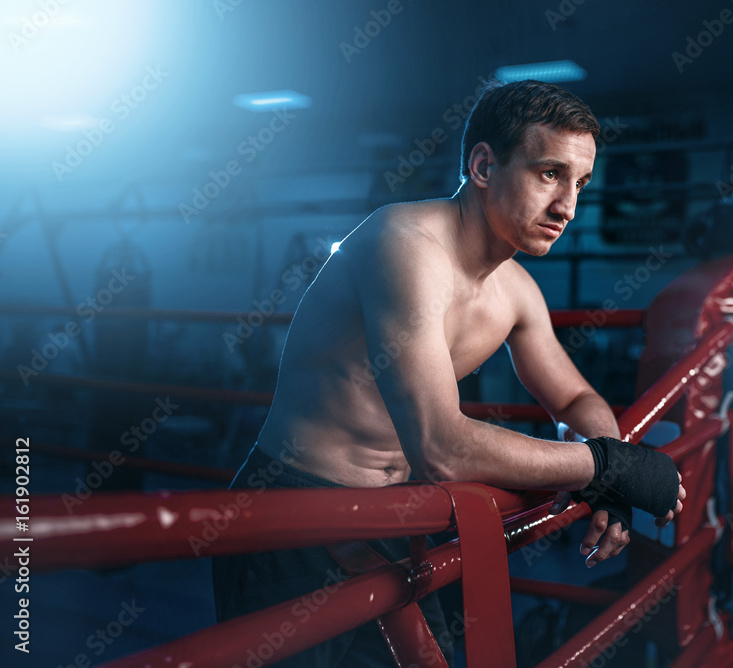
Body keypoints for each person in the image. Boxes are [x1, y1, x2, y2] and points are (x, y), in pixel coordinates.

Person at [212, 79, 685, 667]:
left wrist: (610, 472)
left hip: (392, 518)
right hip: (295, 511)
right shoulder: (403, 244)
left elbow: (575, 395)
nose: (567, 205)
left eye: (579, 183)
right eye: (548, 174)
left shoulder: (516, 291)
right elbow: (440, 445)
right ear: (484, 166)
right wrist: (610, 467)